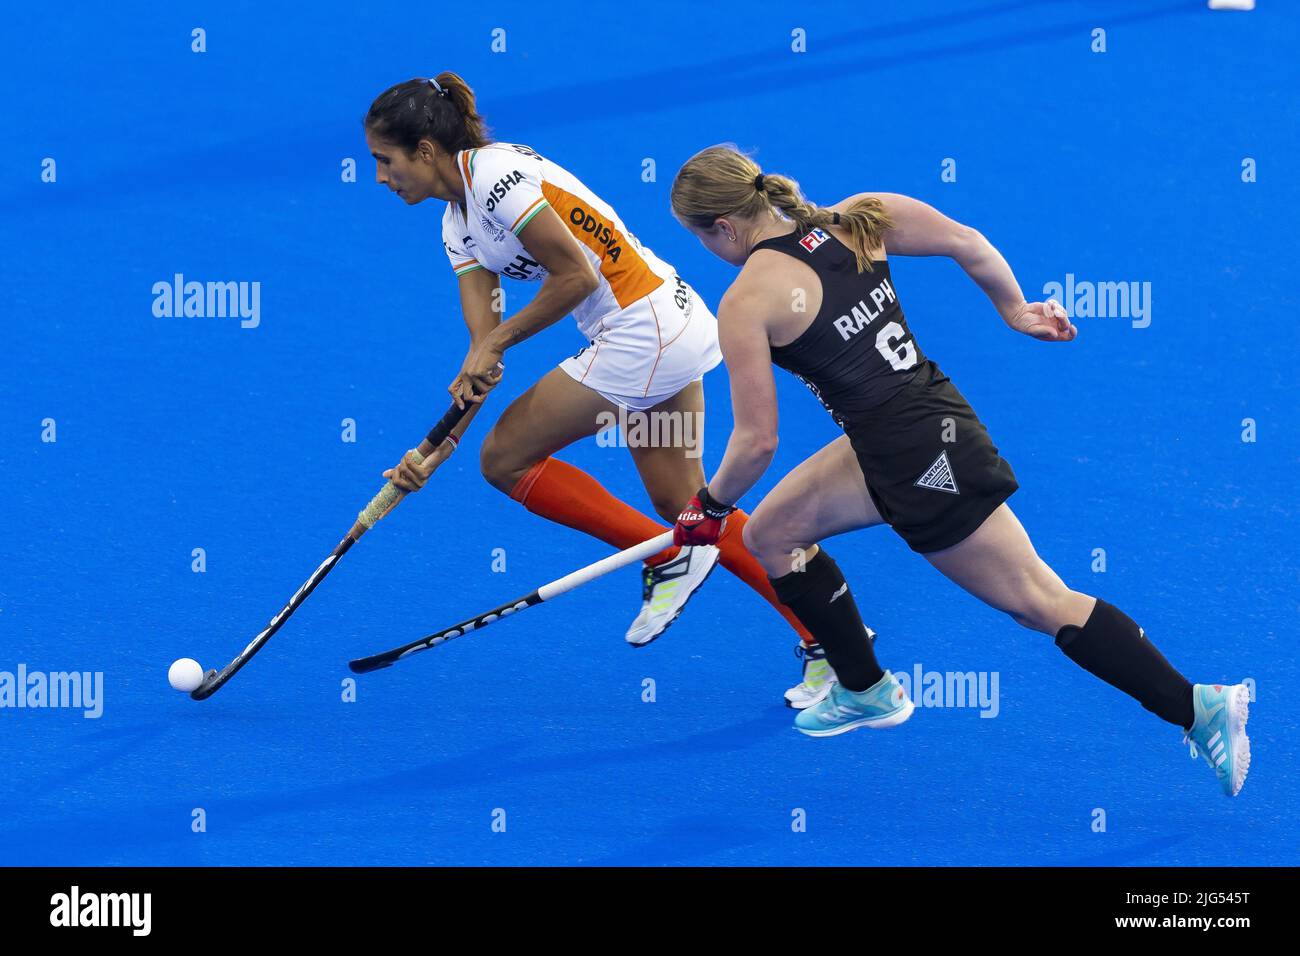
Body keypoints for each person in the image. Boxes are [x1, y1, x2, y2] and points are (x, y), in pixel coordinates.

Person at [667, 144, 1251, 796]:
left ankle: (1196, 708)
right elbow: (968, 243)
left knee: (1039, 601)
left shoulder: (747, 301)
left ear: (720, 227)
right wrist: (1017, 311)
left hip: (918, 458)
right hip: (905, 425)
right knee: (772, 535)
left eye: (698, 237)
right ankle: (865, 689)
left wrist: (708, 506)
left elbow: (755, 442)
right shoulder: (860, 215)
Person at [362, 74, 827, 671]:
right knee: (687, 503)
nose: (379, 176)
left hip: (643, 331)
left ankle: (664, 559)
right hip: (667, 324)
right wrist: (436, 447)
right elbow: (484, 353)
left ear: (425, 151)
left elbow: (576, 278)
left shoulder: (495, 179)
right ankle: (833, 634)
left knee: (504, 458)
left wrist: (499, 340)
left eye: (385, 160)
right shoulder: (458, 225)